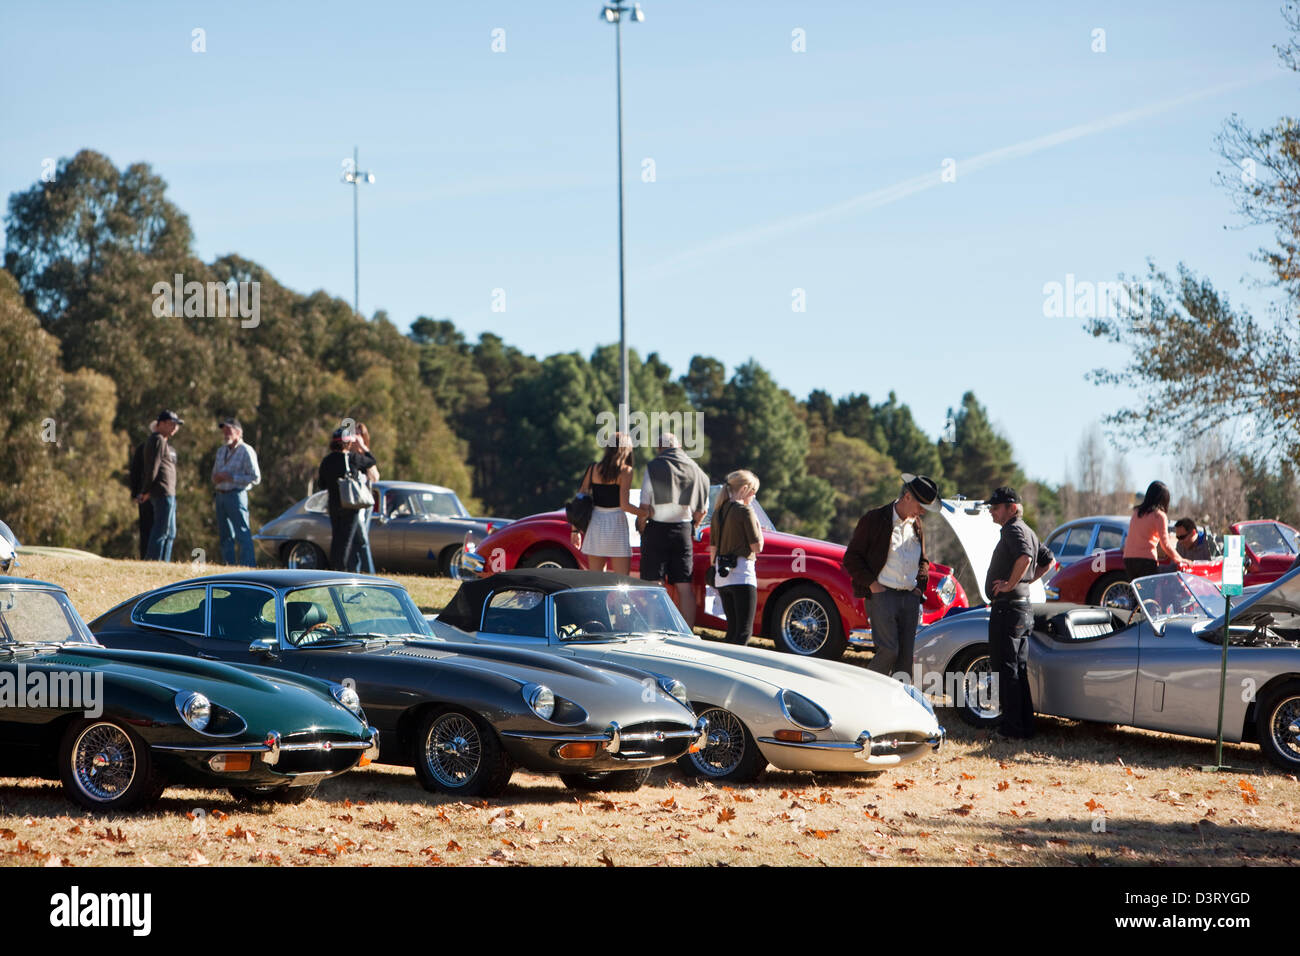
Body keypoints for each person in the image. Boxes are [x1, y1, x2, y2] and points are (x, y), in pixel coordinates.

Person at [842, 473, 940, 680]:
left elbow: (924, 560)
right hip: (882, 596)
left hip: (910, 598)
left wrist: (918, 589)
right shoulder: (874, 519)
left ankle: (898, 702)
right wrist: (873, 585)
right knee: (889, 651)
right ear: (907, 498)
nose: (922, 511)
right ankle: (866, 692)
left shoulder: (917, 525)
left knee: (905, 658)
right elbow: (851, 558)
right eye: (921, 505)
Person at [985, 486, 1056, 741]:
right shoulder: (1027, 530)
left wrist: (1011, 584)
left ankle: (1012, 729)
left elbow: (1026, 557)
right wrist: (1025, 582)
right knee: (1018, 668)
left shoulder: (1014, 529)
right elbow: (1049, 561)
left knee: (1006, 669)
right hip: (1021, 608)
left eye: (996, 507)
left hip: (1009, 608)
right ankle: (1024, 726)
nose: (992, 512)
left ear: (1011, 508)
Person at [637, 433, 709, 628]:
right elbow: (702, 510)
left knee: (654, 584)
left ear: (661, 448)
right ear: (679, 447)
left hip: (657, 528)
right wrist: (693, 525)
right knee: (684, 585)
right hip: (683, 528)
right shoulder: (696, 469)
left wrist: (641, 525)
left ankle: (654, 628)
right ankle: (688, 632)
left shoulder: (654, 467)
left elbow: (644, 504)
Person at [570, 432, 639, 574]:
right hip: (616, 523)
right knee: (622, 579)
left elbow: (580, 498)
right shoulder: (626, 471)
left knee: (596, 580)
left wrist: (575, 529)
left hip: (596, 521)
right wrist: (645, 512)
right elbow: (624, 505)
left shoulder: (594, 468)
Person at [710, 470, 765, 644]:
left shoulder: (718, 511)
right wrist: (757, 522)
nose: (754, 496)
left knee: (732, 630)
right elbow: (758, 547)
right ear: (745, 489)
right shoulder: (745, 511)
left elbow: (713, 548)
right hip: (742, 574)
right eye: (753, 491)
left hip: (722, 575)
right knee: (743, 632)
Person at [318, 428, 377, 572]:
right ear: (348, 443)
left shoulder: (327, 460)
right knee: (346, 542)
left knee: (337, 539)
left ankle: (334, 569)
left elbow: (322, 484)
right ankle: (341, 571)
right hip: (350, 505)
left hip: (334, 505)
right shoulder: (351, 458)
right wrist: (363, 446)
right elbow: (371, 461)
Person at [211, 417, 262, 567]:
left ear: (238, 432)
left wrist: (232, 477)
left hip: (236, 495)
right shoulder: (221, 451)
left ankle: (248, 566)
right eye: (224, 430)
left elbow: (255, 477)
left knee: (242, 533)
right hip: (220, 495)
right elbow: (214, 474)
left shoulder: (246, 450)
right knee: (225, 535)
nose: (226, 433)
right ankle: (228, 566)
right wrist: (217, 478)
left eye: (229, 430)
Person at [140, 410, 183, 562]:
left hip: (168, 492)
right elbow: (153, 467)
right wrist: (146, 490)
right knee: (161, 530)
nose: (174, 428)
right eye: (171, 424)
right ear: (160, 424)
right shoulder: (157, 439)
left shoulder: (163, 441)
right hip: (162, 491)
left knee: (170, 531)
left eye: (176, 425)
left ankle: (165, 562)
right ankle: (154, 561)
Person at [1122, 480, 1180, 580]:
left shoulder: (1137, 512)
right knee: (1149, 594)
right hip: (1146, 560)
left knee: (1137, 593)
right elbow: (1165, 544)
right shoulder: (1159, 516)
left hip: (1128, 559)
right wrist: (1179, 559)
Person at [353, 423, 380, 574]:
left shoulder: (366, 457)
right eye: (354, 434)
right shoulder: (350, 457)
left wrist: (363, 448)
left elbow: (375, 477)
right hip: (354, 503)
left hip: (366, 503)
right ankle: (367, 572)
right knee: (361, 540)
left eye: (359, 434)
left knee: (362, 540)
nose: (356, 437)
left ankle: (364, 572)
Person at [128, 421, 157, 559]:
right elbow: (135, 471)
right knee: (146, 528)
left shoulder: (169, 449)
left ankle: (159, 558)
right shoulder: (143, 448)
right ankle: (146, 557)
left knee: (162, 529)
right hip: (145, 496)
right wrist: (136, 493)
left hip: (162, 495)